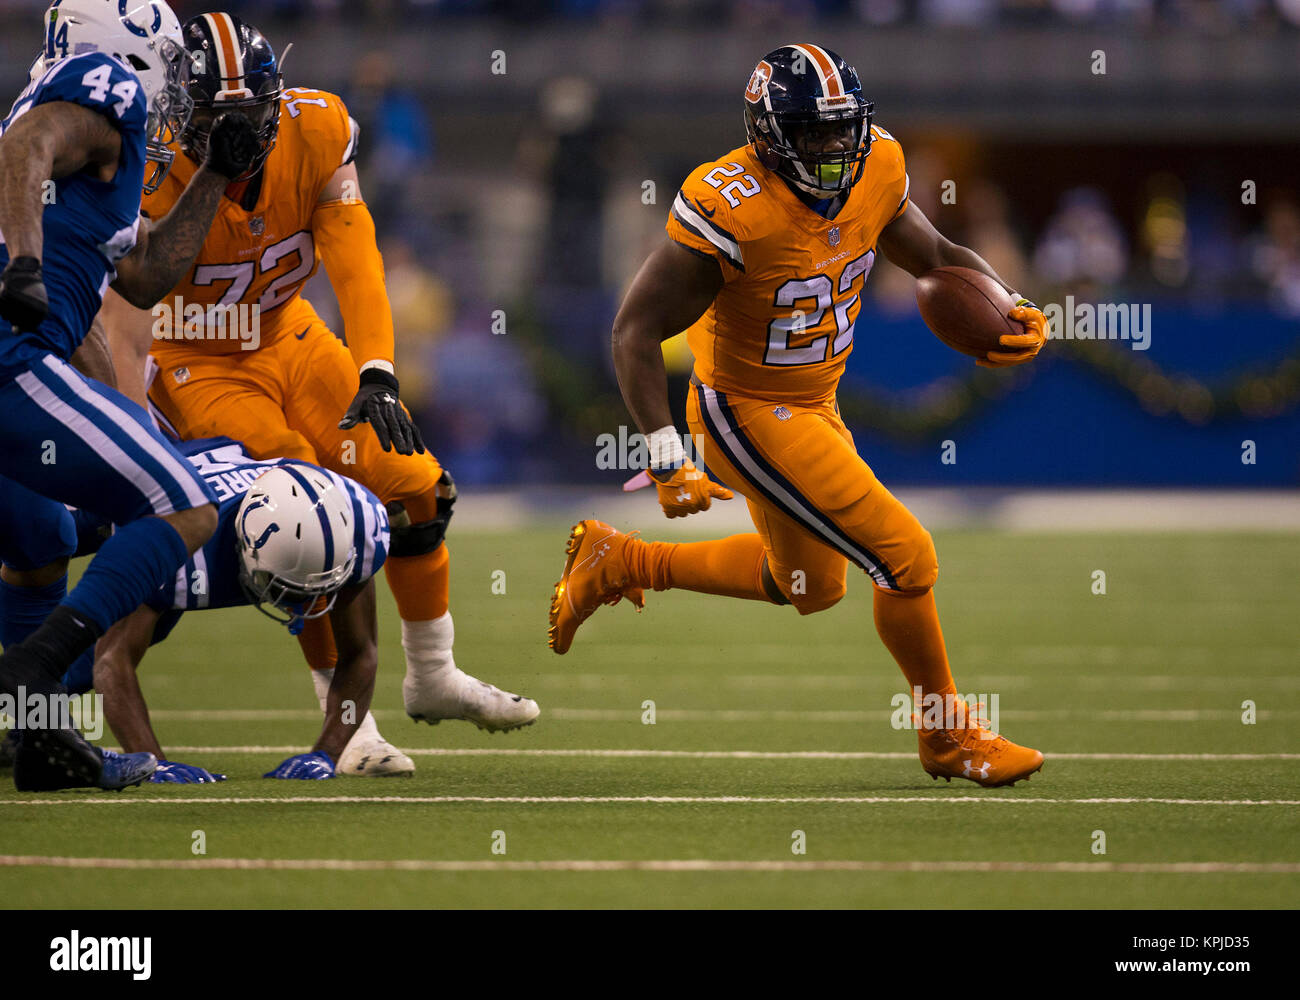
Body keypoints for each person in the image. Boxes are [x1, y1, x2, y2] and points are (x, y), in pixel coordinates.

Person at [548, 44, 1048, 788]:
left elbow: (936, 252)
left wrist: (1006, 303)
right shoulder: (732, 204)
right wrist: (664, 454)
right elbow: (632, 330)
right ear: (769, 134)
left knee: (811, 586)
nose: (834, 147)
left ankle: (620, 560)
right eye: (813, 132)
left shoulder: (875, 165)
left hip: (813, 401)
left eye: (842, 129)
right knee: (905, 555)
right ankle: (949, 738)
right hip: (742, 410)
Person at [105, 12, 537, 736]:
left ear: (277, 105)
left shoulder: (317, 127)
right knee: (304, 490)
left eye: (246, 117)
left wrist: (377, 371)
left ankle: (432, 674)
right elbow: (136, 297)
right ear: (181, 111)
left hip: (288, 330)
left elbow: (356, 254)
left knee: (418, 485)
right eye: (214, 118)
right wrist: (213, 171)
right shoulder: (143, 163)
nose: (233, 132)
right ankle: (343, 715)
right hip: (193, 353)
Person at [0, 0, 259, 790]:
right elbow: (26, 147)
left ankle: (35, 744)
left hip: (25, 351)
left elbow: (138, 276)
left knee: (40, 542)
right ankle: (32, 675)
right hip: (10, 357)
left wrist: (215, 175)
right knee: (185, 502)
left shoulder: (79, 117)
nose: (178, 83)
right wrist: (23, 263)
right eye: (172, 61)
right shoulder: (101, 84)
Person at [72, 437, 396, 781]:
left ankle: (37, 718)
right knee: (41, 549)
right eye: (287, 587)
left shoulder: (357, 524)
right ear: (246, 548)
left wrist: (327, 754)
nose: (302, 601)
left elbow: (360, 654)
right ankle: (30, 709)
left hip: (221, 464)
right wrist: (153, 763)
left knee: (151, 618)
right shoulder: (181, 542)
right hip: (130, 487)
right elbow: (111, 658)